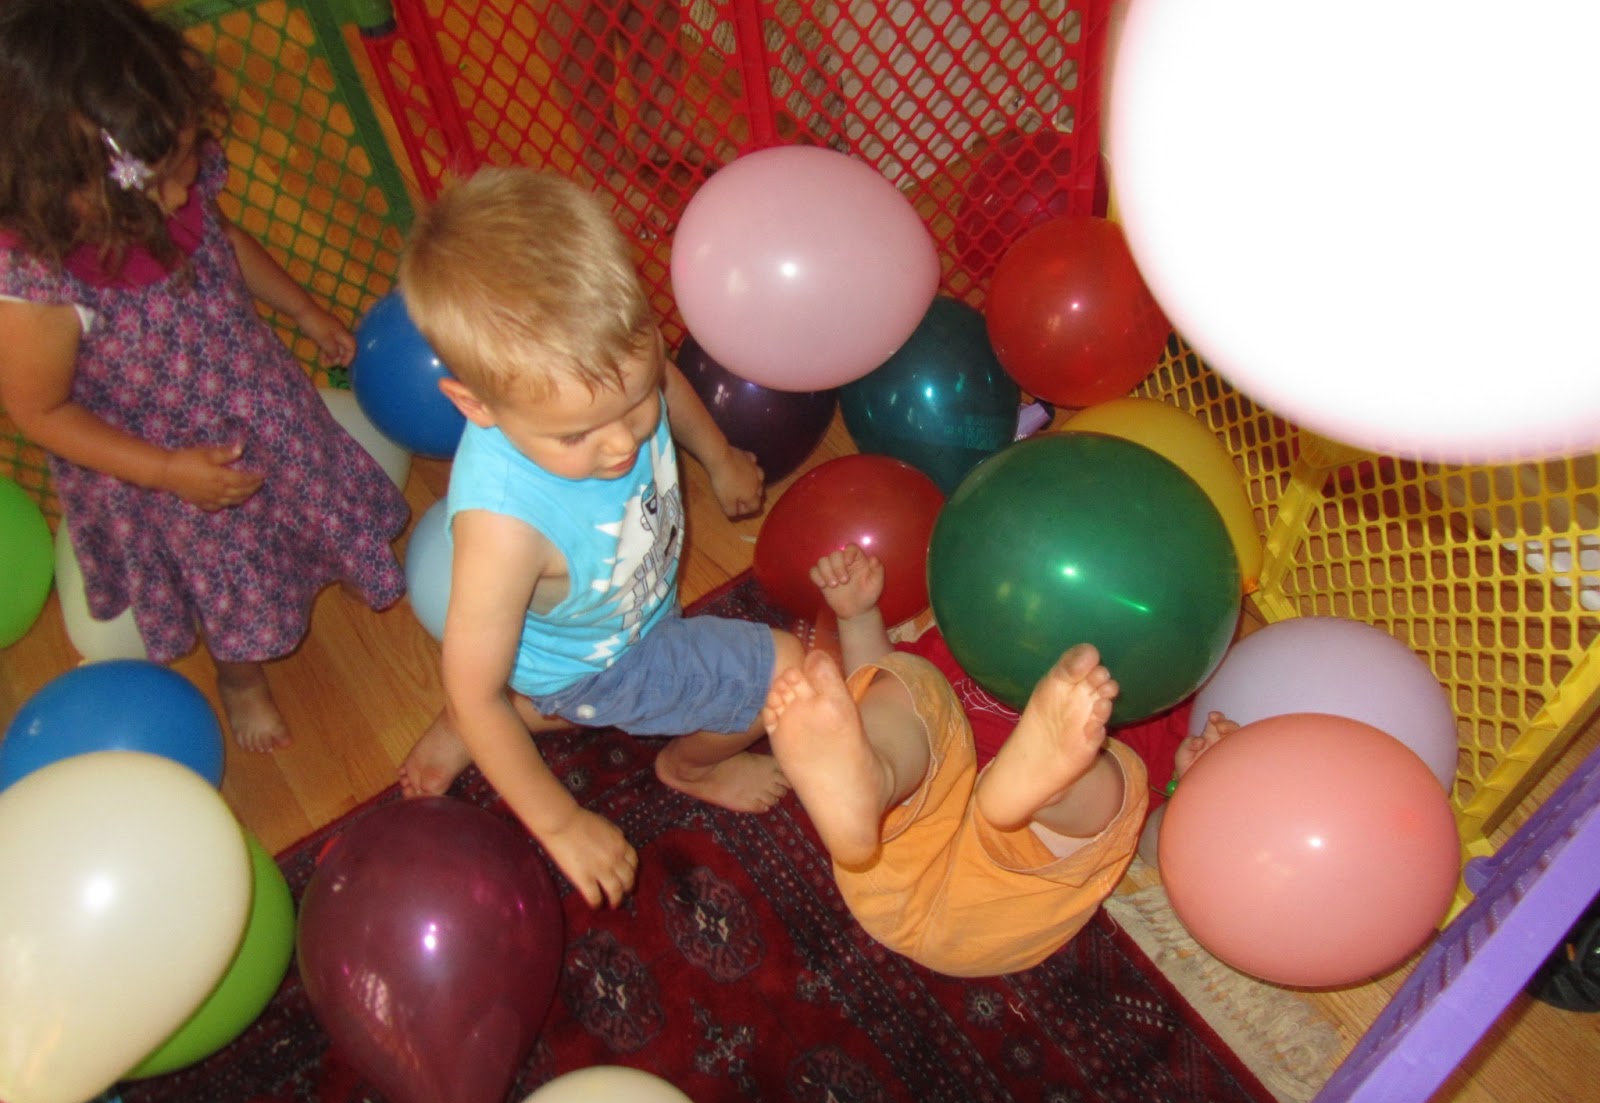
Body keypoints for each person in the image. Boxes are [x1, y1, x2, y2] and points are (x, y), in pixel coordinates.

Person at [0, 0, 408, 753]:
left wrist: (307, 310)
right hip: (170, 465)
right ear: (70, 190)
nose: (187, 193)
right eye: (167, 181)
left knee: (312, 493)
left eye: (190, 162)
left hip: (258, 400)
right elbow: (41, 411)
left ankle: (340, 560)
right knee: (231, 575)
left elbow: (222, 244)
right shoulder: (40, 287)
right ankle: (241, 676)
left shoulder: (169, 186)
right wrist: (165, 470)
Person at [392, 166, 804, 909]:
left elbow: (667, 383)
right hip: (604, 659)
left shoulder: (618, 370)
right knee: (786, 672)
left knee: (541, 692)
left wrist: (716, 458)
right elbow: (472, 684)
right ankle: (690, 769)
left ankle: (499, 721)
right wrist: (559, 823)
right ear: (474, 405)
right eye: (577, 434)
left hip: (602, 619)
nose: (621, 443)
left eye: (633, 397)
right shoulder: (505, 531)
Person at [761, 543, 1232, 978]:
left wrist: (1193, 792)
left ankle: (1051, 787)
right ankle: (874, 778)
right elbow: (885, 685)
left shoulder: (1149, 699)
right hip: (893, 838)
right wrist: (860, 617)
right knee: (913, 680)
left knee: (1115, 777)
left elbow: (1153, 848)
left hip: (1006, 893)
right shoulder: (963, 644)